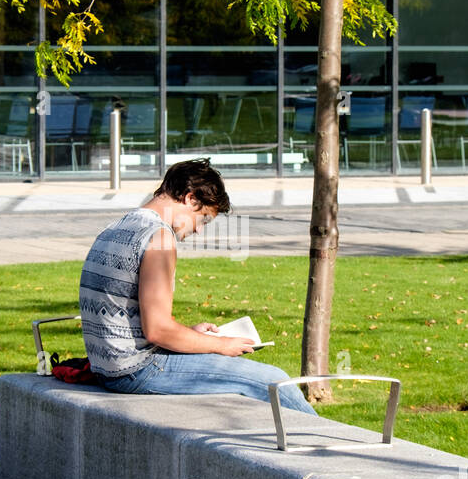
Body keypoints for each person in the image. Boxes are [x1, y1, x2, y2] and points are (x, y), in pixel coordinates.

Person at [79, 158, 317, 415]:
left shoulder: (116, 227)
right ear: (190, 199)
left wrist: (194, 336)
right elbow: (157, 331)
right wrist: (220, 345)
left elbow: (127, 317)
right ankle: (323, 446)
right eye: (203, 219)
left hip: (105, 368)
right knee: (274, 380)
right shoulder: (159, 238)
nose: (199, 231)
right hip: (134, 371)